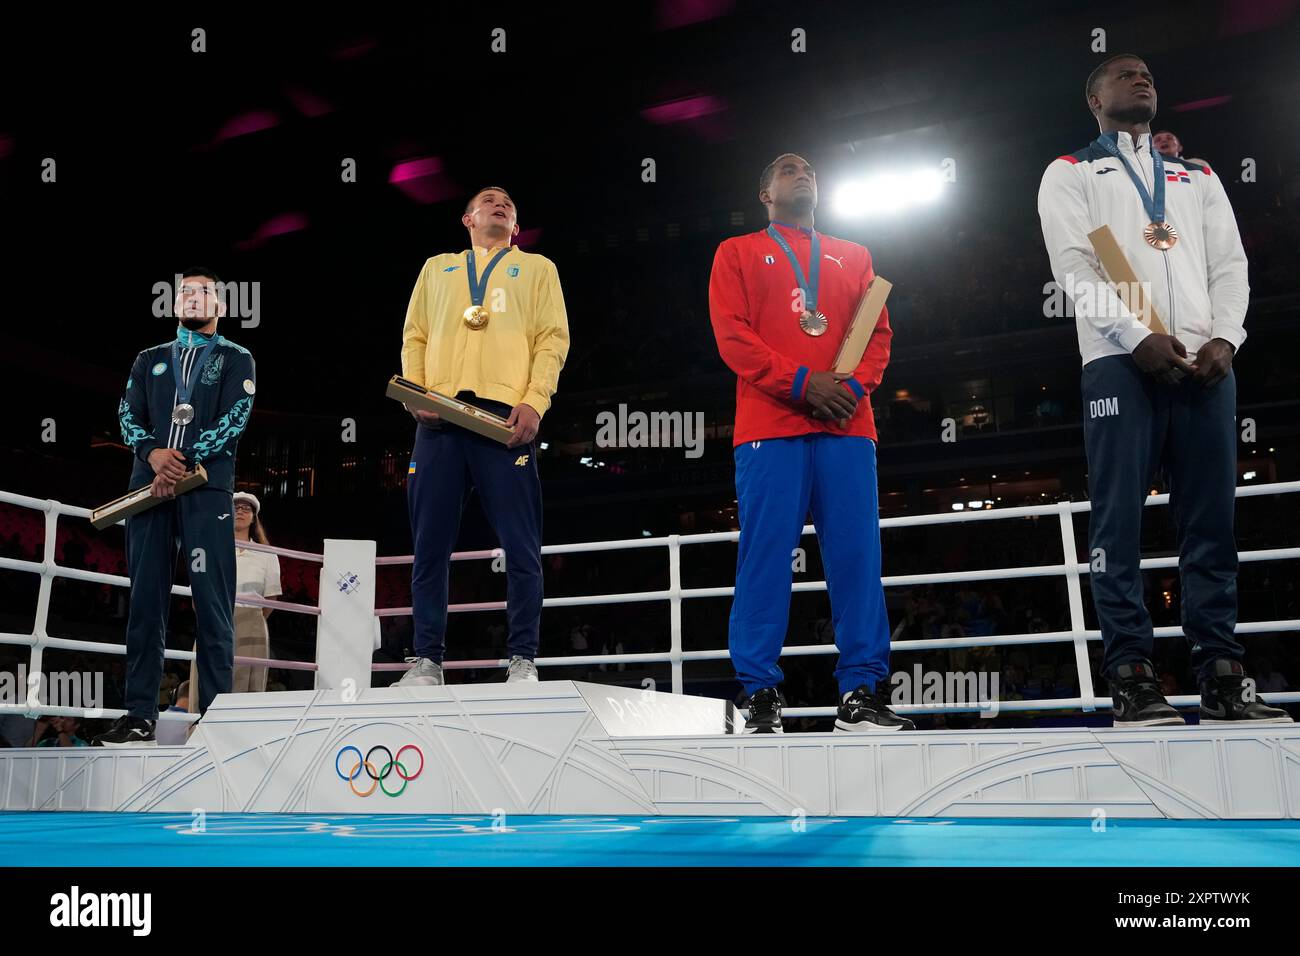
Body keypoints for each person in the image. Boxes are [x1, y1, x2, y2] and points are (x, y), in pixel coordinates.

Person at [1037, 54, 1291, 726]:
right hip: (1120, 362)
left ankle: (1223, 674)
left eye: (1148, 72)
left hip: (1206, 363)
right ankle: (1131, 675)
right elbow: (1073, 265)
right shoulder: (1069, 172)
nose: (1141, 77)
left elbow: (1230, 264)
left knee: (1211, 523)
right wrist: (1132, 336)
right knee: (1118, 521)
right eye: (1123, 74)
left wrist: (1226, 340)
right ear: (1095, 99)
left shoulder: (1197, 174)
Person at [708, 153, 912, 733]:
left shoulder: (856, 255)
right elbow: (732, 337)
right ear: (764, 192)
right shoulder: (737, 252)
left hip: (847, 424)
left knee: (857, 557)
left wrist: (848, 389)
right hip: (770, 426)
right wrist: (803, 384)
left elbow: (878, 331)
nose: (804, 175)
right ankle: (760, 693)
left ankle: (862, 692)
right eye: (788, 169)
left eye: (810, 171)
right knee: (765, 557)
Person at [396, 187, 570, 686]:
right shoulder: (437, 267)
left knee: (521, 542)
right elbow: (415, 335)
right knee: (430, 544)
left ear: (516, 226)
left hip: (504, 417)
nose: (501, 203)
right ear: (467, 218)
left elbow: (552, 339)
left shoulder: (539, 269)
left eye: (509, 203)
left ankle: (522, 659)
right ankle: (426, 659)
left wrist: (536, 400)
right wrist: (415, 390)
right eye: (489, 200)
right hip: (440, 413)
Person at [93, 267, 256, 746]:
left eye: (204, 291)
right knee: (145, 601)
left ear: (220, 306)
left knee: (213, 602)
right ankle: (140, 715)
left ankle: (215, 716)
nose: (193, 297)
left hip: (205, 489)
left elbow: (236, 417)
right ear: (173, 303)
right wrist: (153, 455)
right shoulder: (149, 359)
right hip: (150, 490)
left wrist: (185, 458)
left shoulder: (236, 357)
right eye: (185, 291)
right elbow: (128, 415)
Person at [187, 491, 281, 700]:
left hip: (252, 621)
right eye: (236, 507)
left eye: (246, 509)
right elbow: (198, 589)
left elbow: (271, 598)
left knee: (247, 683)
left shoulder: (267, 554)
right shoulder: (210, 548)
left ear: (253, 517)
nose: (240, 511)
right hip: (215, 615)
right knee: (206, 677)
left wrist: (250, 619)